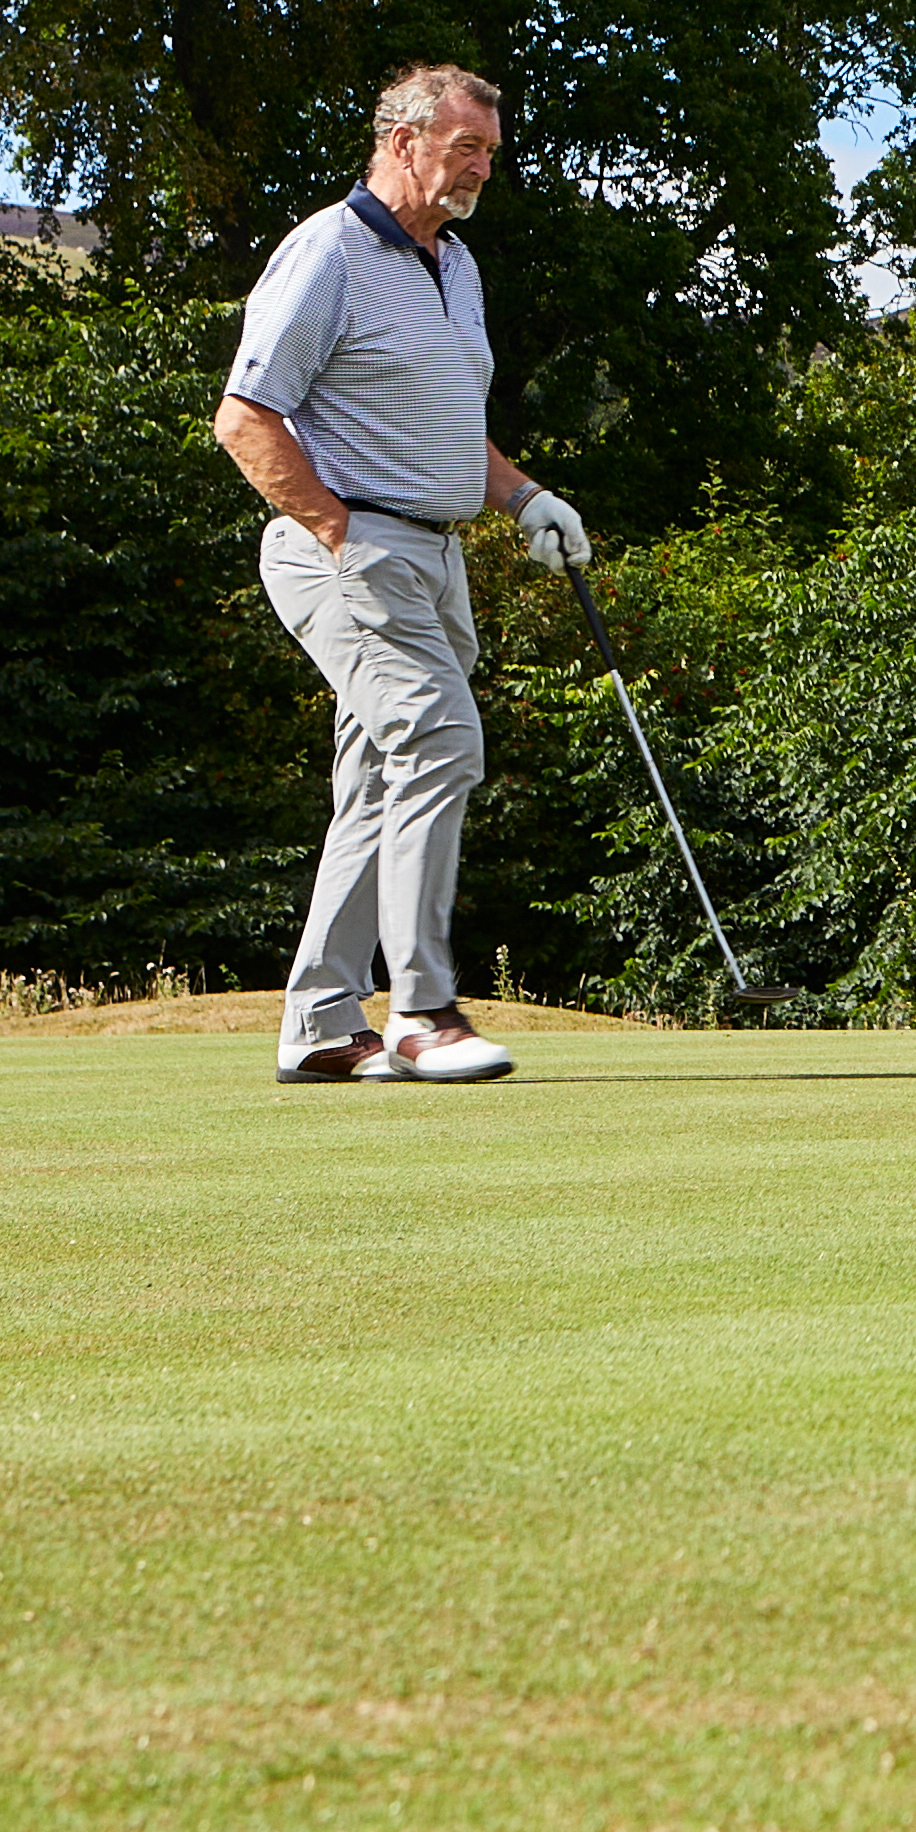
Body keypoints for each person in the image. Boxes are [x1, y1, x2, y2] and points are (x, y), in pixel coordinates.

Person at [214, 64, 592, 1087]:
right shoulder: (330, 251)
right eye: (463, 147)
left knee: (383, 776)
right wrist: (339, 532)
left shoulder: (456, 266)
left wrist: (525, 499)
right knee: (438, 734)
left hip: (434, 555)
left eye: (489, 153)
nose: (479, 167)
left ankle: (322, 1021)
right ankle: (422, 1010)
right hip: (344, 548)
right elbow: (245, 417)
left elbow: (444, 429)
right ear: (403, 140)